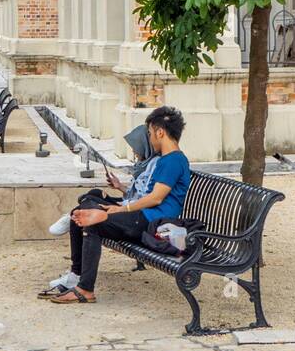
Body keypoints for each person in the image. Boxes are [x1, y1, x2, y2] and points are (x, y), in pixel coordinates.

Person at [50, 106, 191, 306]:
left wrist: (121, 209)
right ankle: (78, 276)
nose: (150, 139)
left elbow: (156, 199)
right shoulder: (168, 160)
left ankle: (85, 289)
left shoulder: (174, 161)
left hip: (153, 223)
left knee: (92, 221)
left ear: (160, 132)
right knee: (83, 213)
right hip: (144, 216)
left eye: (150, 133)